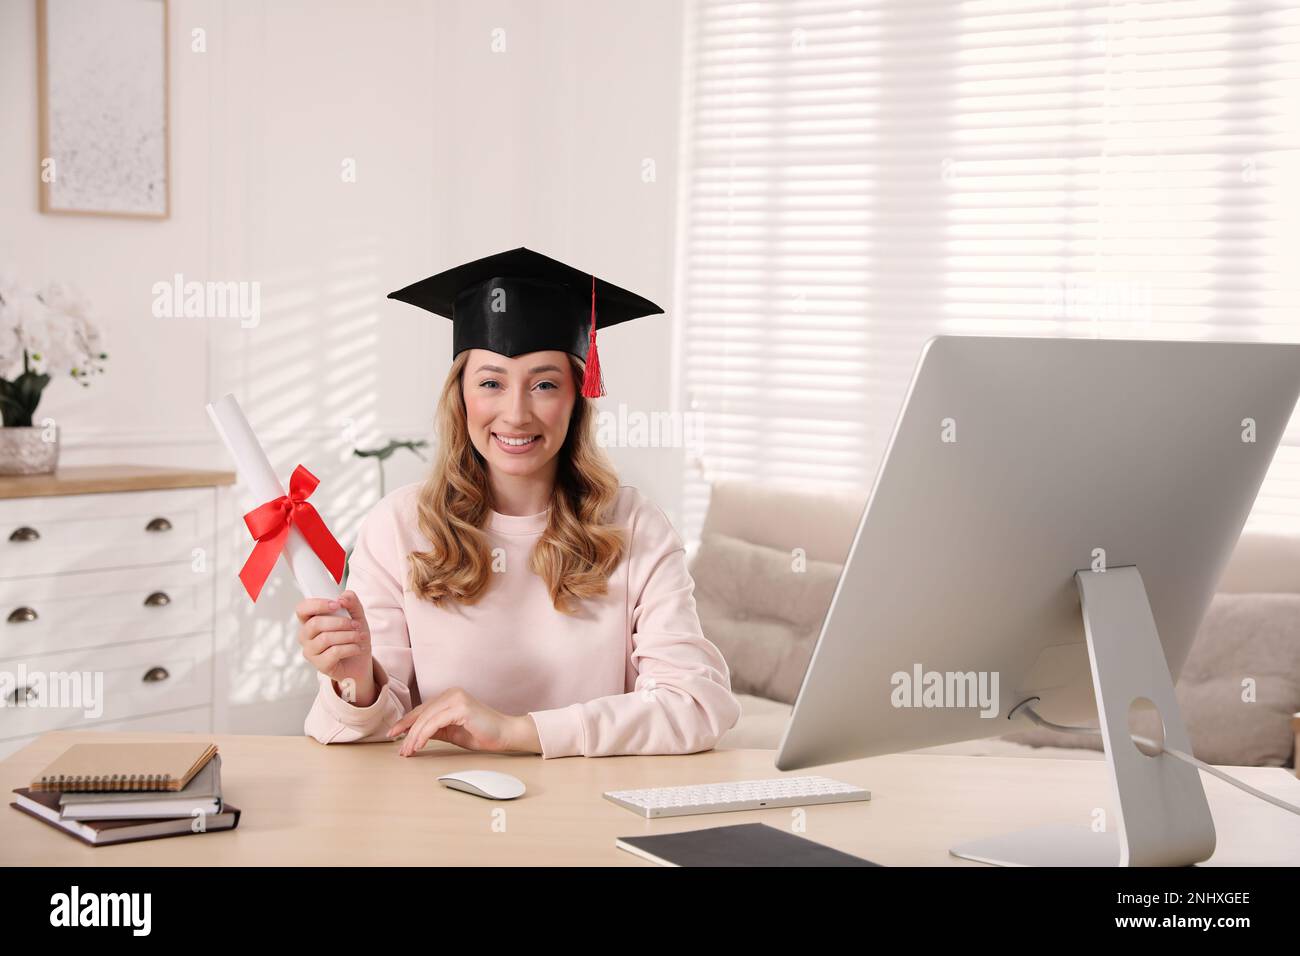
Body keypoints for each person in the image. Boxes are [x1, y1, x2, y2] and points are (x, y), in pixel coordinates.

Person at [299, 247, 741, 758]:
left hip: (590, 807)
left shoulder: (634, 526)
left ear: (577, 398)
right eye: (491, 383)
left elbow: (697, 705)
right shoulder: (399, 526)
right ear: (460, 395)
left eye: (545, 384)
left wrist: (516, 733)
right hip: (441, 810)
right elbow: (368, 728)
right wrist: (358, 680)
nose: (515, 413)